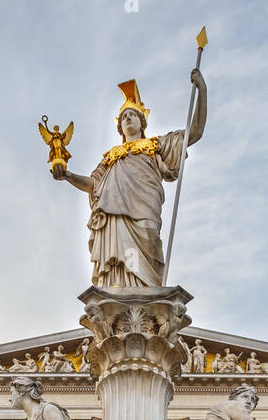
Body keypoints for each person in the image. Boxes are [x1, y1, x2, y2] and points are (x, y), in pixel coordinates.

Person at [54, 74, 207, 288]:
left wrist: (202, 90)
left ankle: (147, 293)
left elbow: (195, 133)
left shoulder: (156, 145)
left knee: (148, 235)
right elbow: (93, 184)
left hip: (144, 209)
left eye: (132, 115)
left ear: (142, 121)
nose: (127, 118)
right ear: (119, 127)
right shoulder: (110, 157)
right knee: (117, 265)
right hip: (113, 216)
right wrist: (68, 175)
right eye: (124, 116)